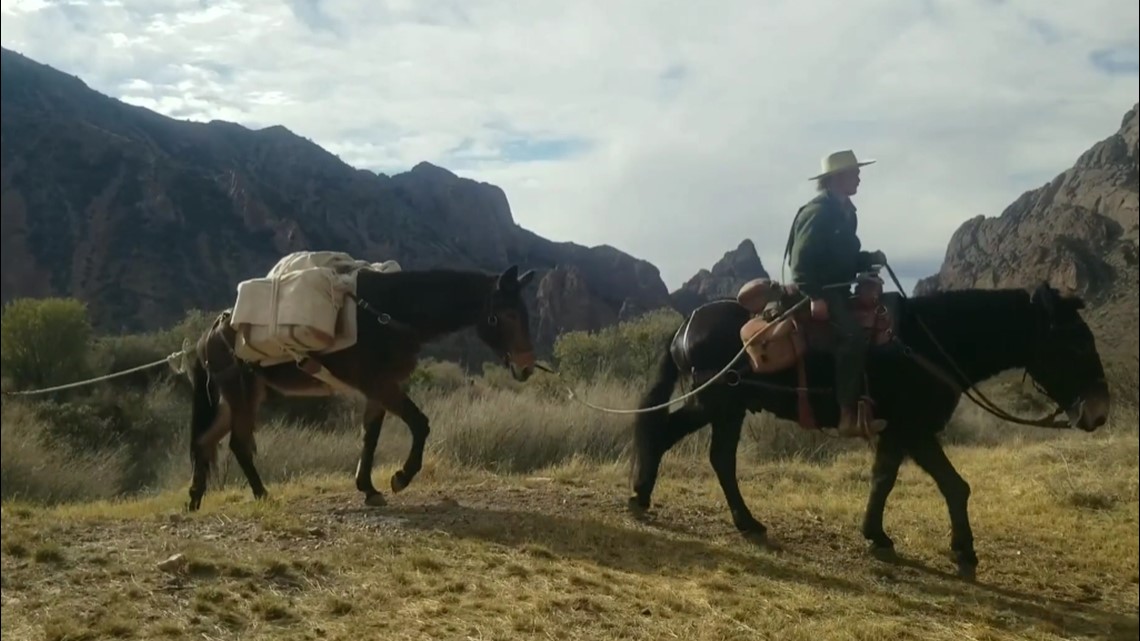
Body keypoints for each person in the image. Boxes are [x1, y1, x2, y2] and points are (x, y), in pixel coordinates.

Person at [783, 149, 888, 437]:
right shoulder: (817, 213)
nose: (858, 178)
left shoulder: (846, 212)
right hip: (820, 293)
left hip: (839, 290)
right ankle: (845, 416)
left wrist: (869, 259)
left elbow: (845, 259)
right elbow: (800, 265)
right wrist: (816, 297)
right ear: (837, 178)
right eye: (854, 173)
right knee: (853, 336)